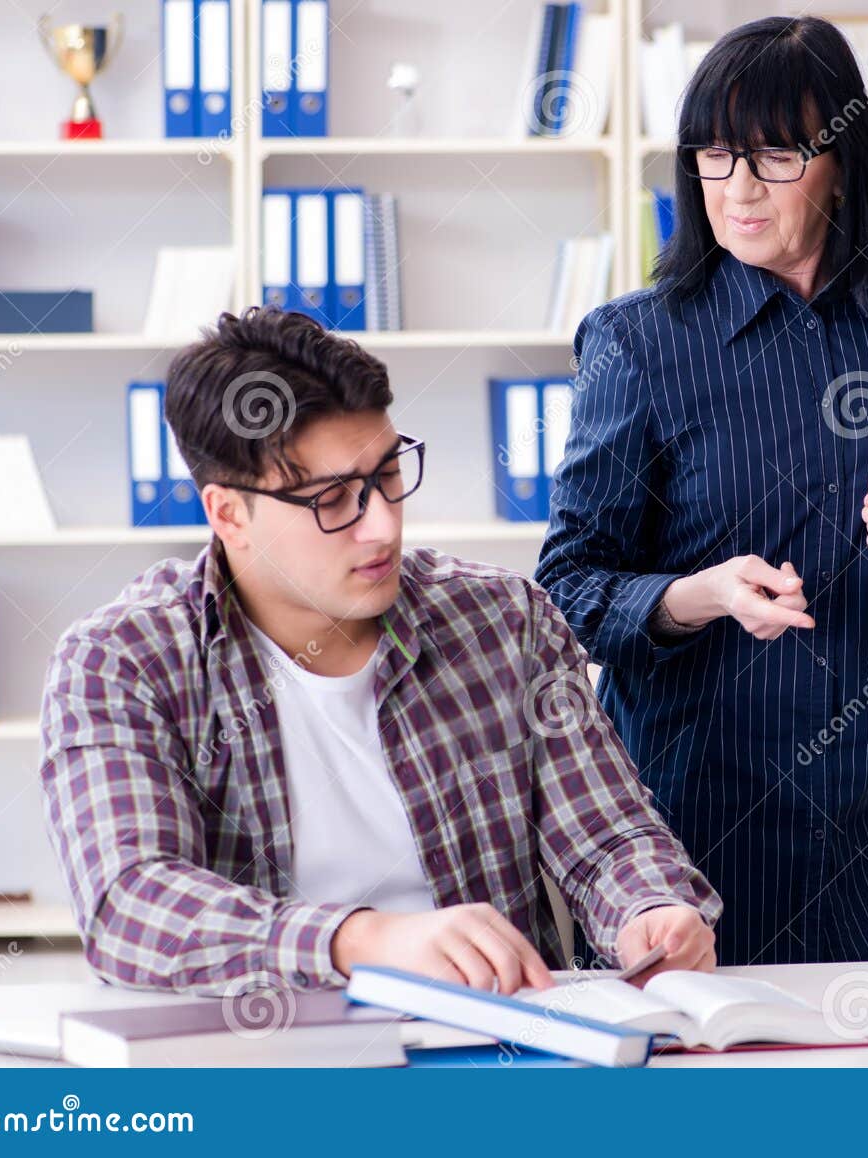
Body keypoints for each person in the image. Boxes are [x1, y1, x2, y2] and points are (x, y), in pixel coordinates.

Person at [40, 307, 720, 995]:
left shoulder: (503, 620)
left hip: (497, 1041)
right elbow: (128, 906)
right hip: (259, 1044)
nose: (383, 526)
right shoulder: (121, 662)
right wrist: (362, 941)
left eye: (389, 474)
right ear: (229, 514)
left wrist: (651, 908)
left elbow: (606, 834)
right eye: (333, 500)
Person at [535, 15, 868, 965]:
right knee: (694, 1049)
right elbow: (567, 592)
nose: (738, 189)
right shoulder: (636, 341)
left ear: (843, 163)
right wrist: (700, 595)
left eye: (773, 156)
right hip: (684, 817)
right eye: (714, 156)